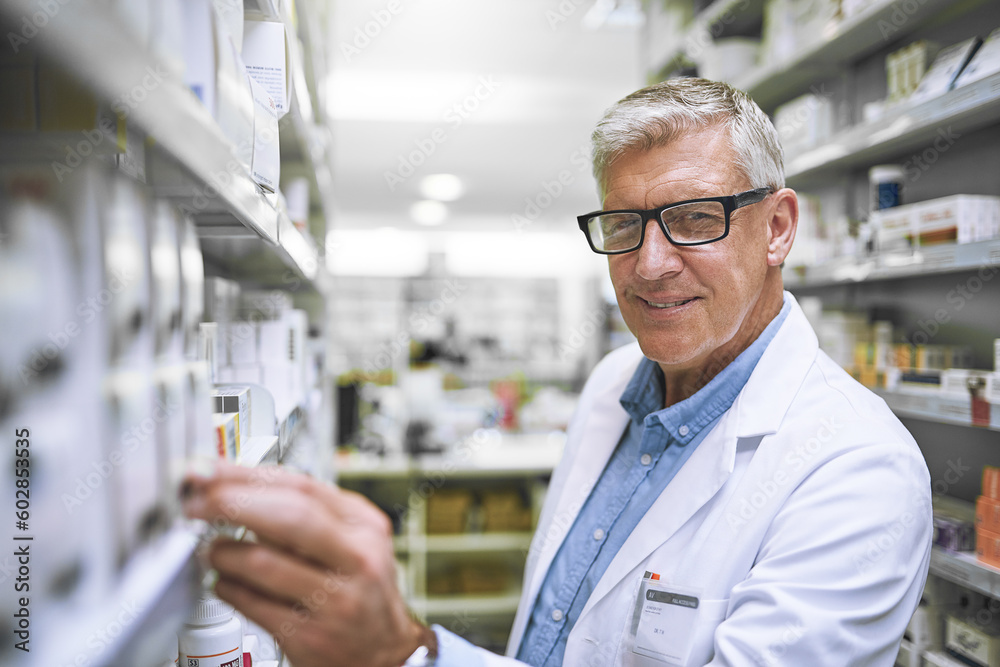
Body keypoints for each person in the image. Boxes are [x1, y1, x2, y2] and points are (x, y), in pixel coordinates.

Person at [182, 78, 932, 667]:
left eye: (696, 217)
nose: (650, 264)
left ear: (777, 228)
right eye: (624, 224)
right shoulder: (614, 382)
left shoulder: (860, 471)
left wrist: (408, 652)